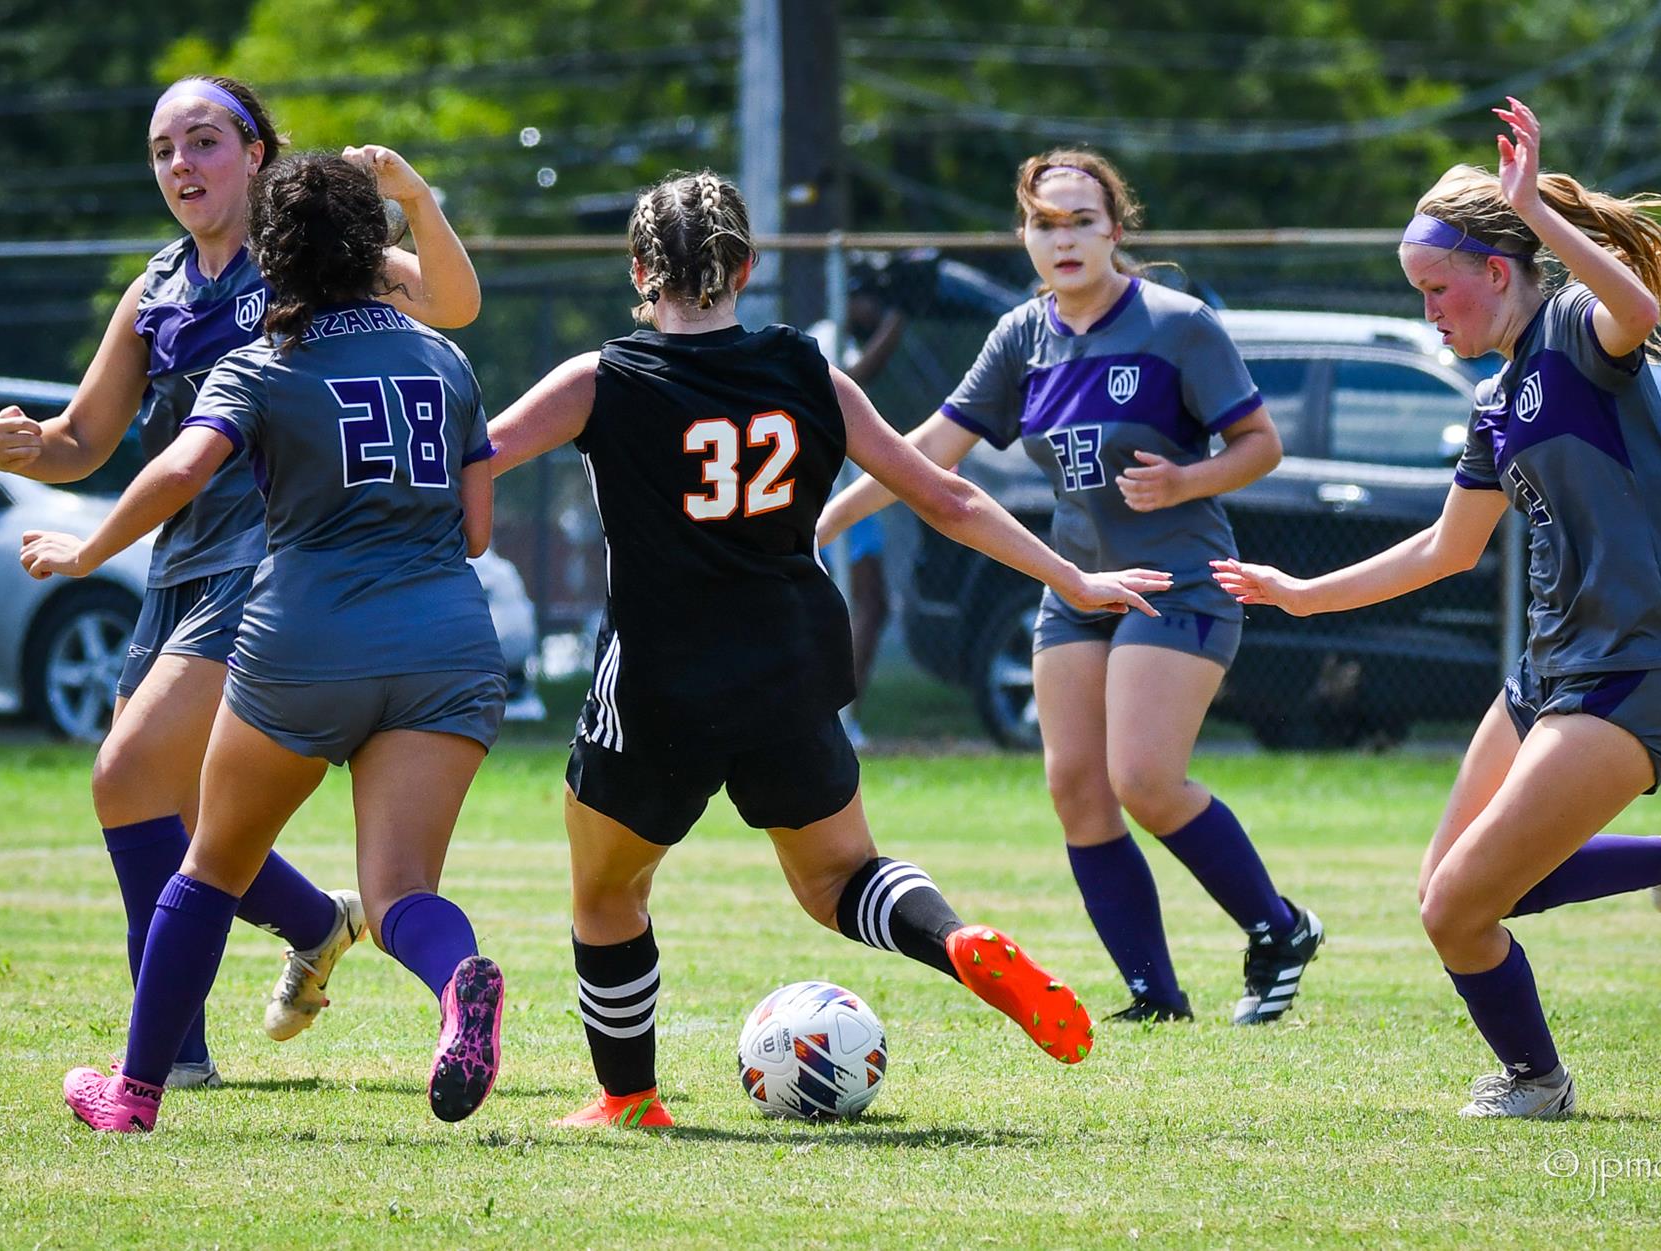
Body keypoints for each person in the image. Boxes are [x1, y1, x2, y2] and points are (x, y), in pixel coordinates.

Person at [486, 170, 1171, 1129]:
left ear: (640, 270)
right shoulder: (808, 370)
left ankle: (630, 1099)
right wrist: (1073, 579)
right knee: (840, 876)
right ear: (749, 268)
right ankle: (959, 936)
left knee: (608, 896)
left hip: (659, 678)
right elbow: (949, 495)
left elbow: (468, 457)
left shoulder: (600, 380)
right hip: (790, 663)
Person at [1213, 98, 1661, 1118]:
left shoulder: (1574, 336)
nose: (1428, 313)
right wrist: (1302, 597)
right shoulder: (1494, 400)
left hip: (1630, 675)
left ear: (1496, 272)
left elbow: (1634, 307)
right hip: (1541, 679)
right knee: (1448, 899)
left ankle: (1536, 1083)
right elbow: (1445, 549)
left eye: (1434, 290)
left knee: (1463, 904)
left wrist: (1531, 212)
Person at [0, 76, 483, 1087]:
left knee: (128, 778)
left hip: (264, 569)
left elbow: (453, 303)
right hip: (179, 567)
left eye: (203, 141)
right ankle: (311, 928)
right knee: (157, 808)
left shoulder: (310, 255)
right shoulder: (157, 285)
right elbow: (89, 439)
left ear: (254, 153)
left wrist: (419, 204)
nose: (181, 165)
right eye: (164, 147)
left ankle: (167, 1058)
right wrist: (32, 448)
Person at [820, 150, 1322, 1026]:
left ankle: (1279, 928)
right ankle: (1155, 995)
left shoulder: (1178, 324)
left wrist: (1186, 481)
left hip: (1181, 581)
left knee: (1144, 778)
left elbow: (1261, 445)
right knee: (1077, 786)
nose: (1064, 238)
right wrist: (817, 524)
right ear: (1025, 235)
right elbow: (923, 452)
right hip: (1078, 585)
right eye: (1045, 223)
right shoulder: (1022, 335)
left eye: (1082, 220)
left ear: (1115, 231)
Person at [808, 259, 917, 740]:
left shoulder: (848, 335)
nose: (874, 311)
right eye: (870, 300)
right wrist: (897, 323)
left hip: (852, 491)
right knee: (852, 604)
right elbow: (851, 379)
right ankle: (829, 717)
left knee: (871, 605)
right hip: (828, 492)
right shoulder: (826, 335)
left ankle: (841, 715)